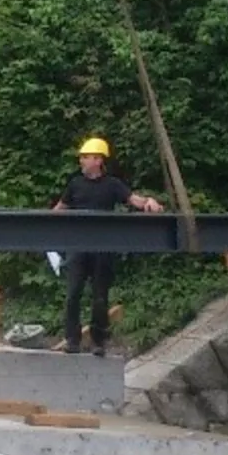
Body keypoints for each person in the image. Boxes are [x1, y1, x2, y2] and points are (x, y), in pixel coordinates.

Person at [50, 137, 163, 356]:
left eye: (85, 157)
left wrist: (149, 201)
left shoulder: (112, 185)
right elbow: (59, 209)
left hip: (102, 249)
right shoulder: (75, 184)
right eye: (81, 157)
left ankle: (98, 342)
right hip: (77, 247)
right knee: (73, 294)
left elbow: (134, 200)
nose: (81, 161)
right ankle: (72, 340)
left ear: (98, 160)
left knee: (100, 296)